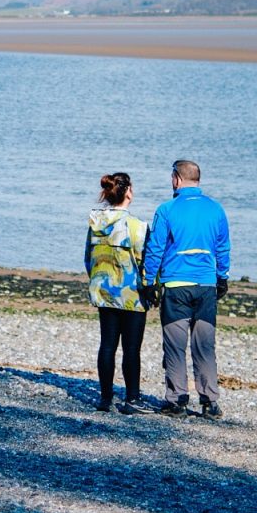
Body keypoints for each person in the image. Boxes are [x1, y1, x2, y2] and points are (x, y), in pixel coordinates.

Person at [141, 159, 231, 418]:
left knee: (175, 345)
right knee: (204, 346)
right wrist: (222, 277)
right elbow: (223, 247)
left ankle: (177, 398)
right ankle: (210, 401)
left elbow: (155, 248)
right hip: (205, 285)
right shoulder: (216, 209)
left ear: (176, 179)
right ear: (197, 180)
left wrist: (149, 282)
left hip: (177, 285)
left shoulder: (167, 209)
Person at [84, 172, 154, 415]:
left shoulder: (96, 222)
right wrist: (151, 288)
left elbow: (88, 258)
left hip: (104, 290)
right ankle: (132, 398)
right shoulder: (138, 226)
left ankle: (106, 398)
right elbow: (147, 262)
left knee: (107, 344)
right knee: (131, 349)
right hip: (132, 293)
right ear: (128, 192)